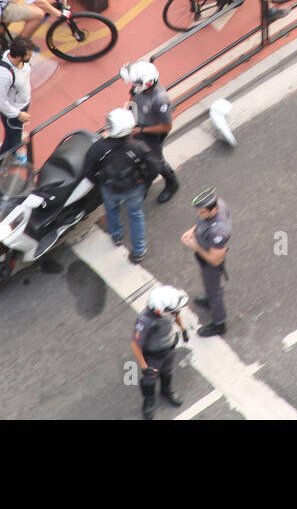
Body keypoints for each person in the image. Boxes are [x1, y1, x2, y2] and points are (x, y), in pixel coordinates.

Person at [79, 108, 162, 263]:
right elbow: (154, 168)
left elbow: (88, 170)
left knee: (111, 211)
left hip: (109, 188)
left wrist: (101, 183)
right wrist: (144, 182)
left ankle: (116, 237)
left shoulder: (99, 147)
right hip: (134, 189)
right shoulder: (138, 147)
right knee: (136, 216)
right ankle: (138, 251)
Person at [120, 61, 180, 204]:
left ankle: (172, 183)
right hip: (137, 128)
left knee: (156, 161)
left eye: (135, 84)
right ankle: (144, 183)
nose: (133, 86)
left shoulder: (160, 100)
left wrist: (141, 130)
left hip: (152, 134)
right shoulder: (138, 87)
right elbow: (132, 99)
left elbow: (166, 126)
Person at [131, 284, 189, 419]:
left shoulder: (169, 310)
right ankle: (149, 401)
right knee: (149, 381)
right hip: (153, 357)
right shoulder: (145, 321)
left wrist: (183, 329)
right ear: (159, 310)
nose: (175, 311)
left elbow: (176, 315)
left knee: (167, 372)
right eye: (173, 309)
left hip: (169, 349)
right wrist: (145, 367)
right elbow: (135, 345)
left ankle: (166, 390)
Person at [182, 188, 231, 337]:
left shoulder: (219, 232)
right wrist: (193, 230)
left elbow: (216, 260)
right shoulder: (218, 204)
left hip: (210, 262)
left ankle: (219, 323)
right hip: (204, 254)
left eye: (202, 212)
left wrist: (195, 246)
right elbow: (202, 221)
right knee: (210, 287)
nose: (199, 214)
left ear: (213, 210)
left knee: (214, 292)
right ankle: (210, 300)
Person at [0, 36, 32, 172]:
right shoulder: (4, 75)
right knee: (11, 140)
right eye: (28, 54)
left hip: (22, 105)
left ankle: (13, 154)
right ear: (19, 56)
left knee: (15, 136)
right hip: (13, 113)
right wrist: (18, 114)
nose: (31, 55)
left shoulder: (23, 62)